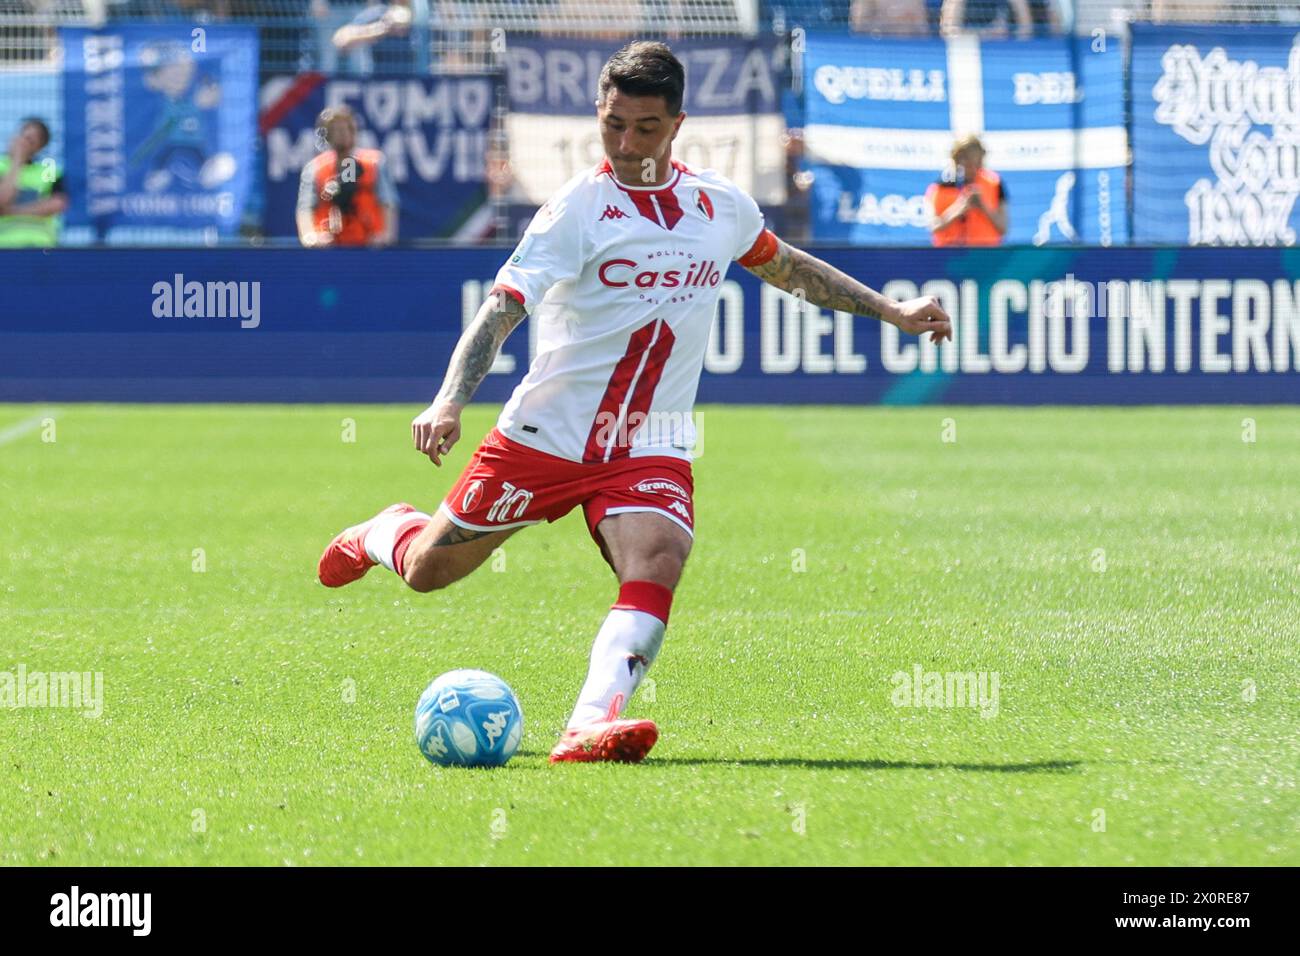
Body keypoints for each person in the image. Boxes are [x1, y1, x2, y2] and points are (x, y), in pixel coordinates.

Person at [317, 41, 952, 764]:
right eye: (613, 124)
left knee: (659, 554)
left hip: (650, 442)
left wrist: (893, 312)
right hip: (544, 438)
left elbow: (790, 269)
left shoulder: (718, 206)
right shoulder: (576, 211)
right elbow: (499, 313)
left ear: (677, 123)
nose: (625, 143)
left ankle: (589, 723)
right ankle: (384, 532)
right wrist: (448, 402)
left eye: (644, 127)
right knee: (430, 571)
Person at [296, 105, 398, 247]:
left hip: (369, 245)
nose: (342, 134)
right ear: (327, 135)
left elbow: (388, 203)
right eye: (336, 130)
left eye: (346, 129)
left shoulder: (374, 163)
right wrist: (309, 236)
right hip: (328, 248)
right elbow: (305, 208)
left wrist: (386, 236)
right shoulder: (315, 168)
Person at [925, 134, 1008, 246]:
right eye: (968, 163)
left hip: (987, 254)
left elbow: (1003, 227)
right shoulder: (940, 187)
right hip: (949, 256)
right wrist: (960, 208)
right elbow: (933, 226)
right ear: (957, 160)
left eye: (978, 163)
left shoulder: (994, 183)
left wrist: (982, 205)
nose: (973, 169)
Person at [0, 117, 67, 248]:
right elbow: (2, 198)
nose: (23, 143)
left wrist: (12, 211)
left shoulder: (49, 169)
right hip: (4, 247)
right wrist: (18, 160)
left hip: (42, 245)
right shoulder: (2, 166)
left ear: (40, 146)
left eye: (30, 140)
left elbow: (56, 204)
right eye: (23, 136)